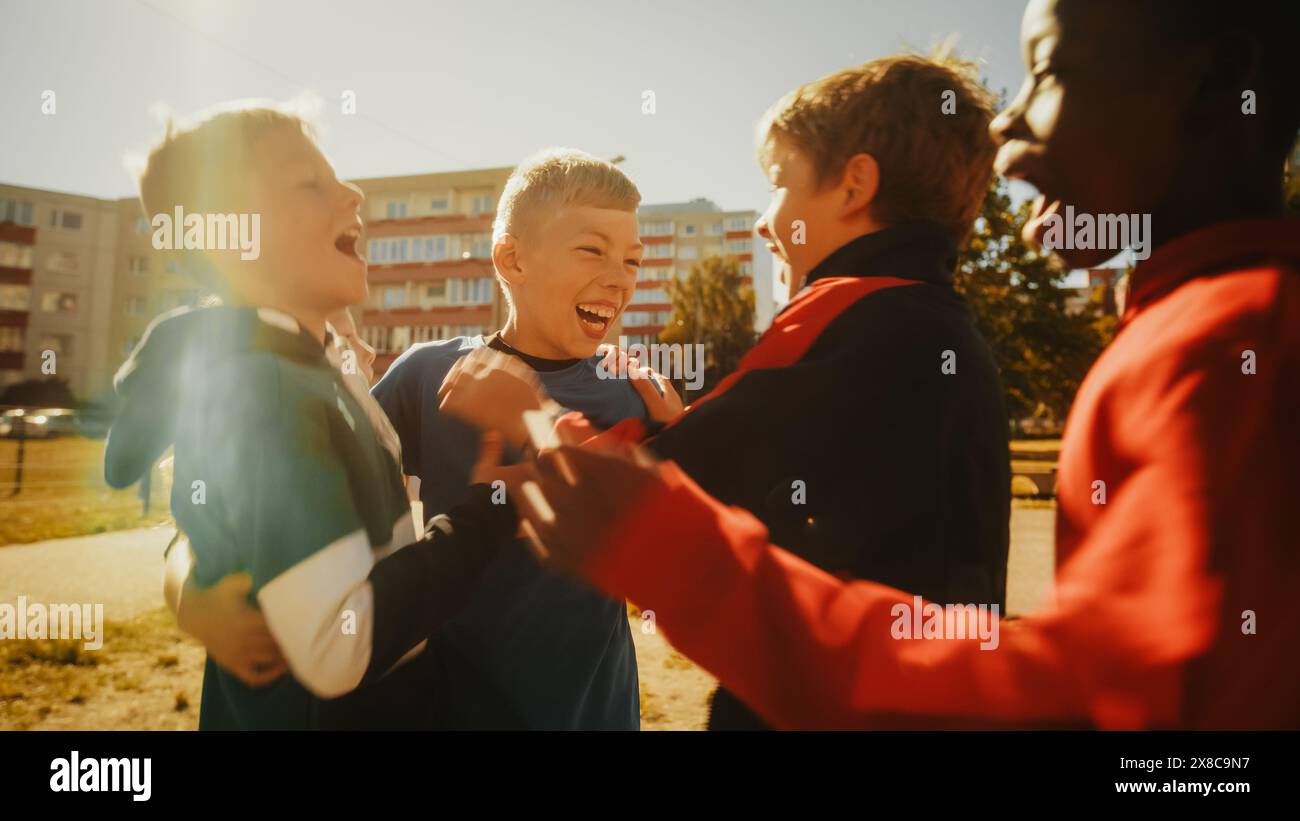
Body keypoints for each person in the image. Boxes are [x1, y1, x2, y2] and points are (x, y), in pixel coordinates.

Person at [506, 0, 1300, 729]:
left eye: (1050, 72)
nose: (1009, 123)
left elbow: (1131, 717)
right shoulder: (958, 329)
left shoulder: (1229, 339)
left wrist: (531, 422)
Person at [439, 54, 1012, 729]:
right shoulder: (950, 336)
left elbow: (639, 491)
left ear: (855, 185)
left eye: (779, 183)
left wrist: (533, 416)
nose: (766, 222)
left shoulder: (842, 316)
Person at [105, 102, 513, 729]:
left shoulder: (306, 365)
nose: (353, 192)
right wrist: (488, 514)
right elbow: (338, 647)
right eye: (309, 183)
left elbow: (212, 520)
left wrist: (182, 580)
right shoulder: (268, 391)